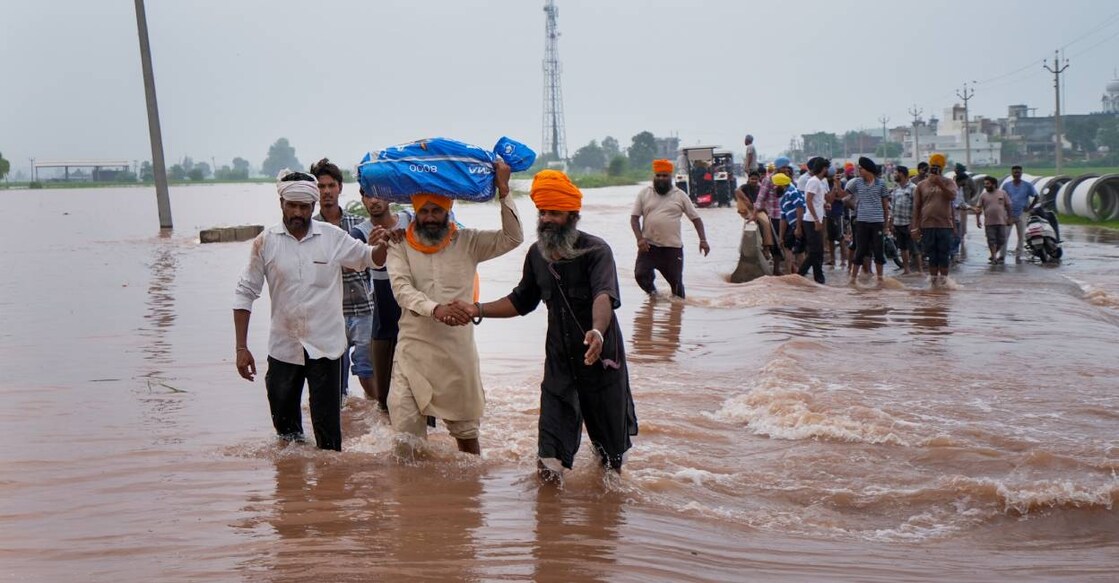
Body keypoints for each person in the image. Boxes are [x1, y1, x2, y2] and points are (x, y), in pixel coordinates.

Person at [460, 170, 638, 482]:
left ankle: (606, 521)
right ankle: (549, 521)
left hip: (601, 358)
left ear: (572, 216)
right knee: (548, 459)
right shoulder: (536, 255)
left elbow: (603, 295)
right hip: (560, 361)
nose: (546, 219)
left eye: (554, 213)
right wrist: (477, 309)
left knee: (610, 459)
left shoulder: (597, 251)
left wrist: (597, 331)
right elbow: (521, 300)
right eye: (542, 212)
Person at [233, 170, 385, 451]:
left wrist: (382, 246)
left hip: (325, 348)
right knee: (286, 437)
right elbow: (245, 293)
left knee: (329, 440)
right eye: (292, 205)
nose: (298, 212)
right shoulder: (265, 242)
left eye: (304, 206)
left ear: (313, 207)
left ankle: (328, 490)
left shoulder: (332, 237)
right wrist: (241, 348)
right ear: (281, 203)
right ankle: (292, 491)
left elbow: (367, 258)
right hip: (284, 348)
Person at [384, 160, 523, 456]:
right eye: (424, 211)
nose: (431, 217)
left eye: (437, 210)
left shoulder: (468, 241)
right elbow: (402, 290)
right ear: (415, 213)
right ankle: (413, 501)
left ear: (448, 211)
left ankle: (467, 500)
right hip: (413, 354)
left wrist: (503, 190)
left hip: (456, 355)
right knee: (405, 442)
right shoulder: (399, 245)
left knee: (468, 441)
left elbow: (513, 238)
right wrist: (436, 309)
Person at [308, 158, 375, 402]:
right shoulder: (310, 228)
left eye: (330, 186)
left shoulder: (357, 225)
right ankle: (342, 422)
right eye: (321, 186)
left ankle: (375, 416)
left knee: (368, 370)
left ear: (339, 188)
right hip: (330, 313)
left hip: (365, 309)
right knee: (335, 376)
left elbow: (371, 265)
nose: (326, 192)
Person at [349, 187, 413, 411]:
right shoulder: (360, 232)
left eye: (379, 194)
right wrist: (373, 247)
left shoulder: (409, 218)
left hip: (415, 318)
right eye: (368, 195)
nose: (374, 200)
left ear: (390, 195)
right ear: (362, 199)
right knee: (383, 403)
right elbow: (353, 261)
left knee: (423, 397)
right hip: (383, 320)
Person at [630, 159, 710, 299]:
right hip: (649, 247)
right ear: (654, 177)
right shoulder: (644, 194)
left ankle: (678, 313)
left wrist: (703, 240)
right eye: (658, 175)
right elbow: (634, 218)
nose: (661, 178)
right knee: (640, 275)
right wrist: (639, 239)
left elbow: (696, 219)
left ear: (670, 177)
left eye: (665, 175)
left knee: (676, 285)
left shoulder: (680, 195)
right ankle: (654, 296)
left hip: (672, 249)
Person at [911, 153, 958, 286]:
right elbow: (917, 207)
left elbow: (952, 197)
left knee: (944, 255)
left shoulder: (949, 183)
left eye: (938, 167)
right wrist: (915, 227)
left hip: (945, 226)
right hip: (927, 225)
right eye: (933, 167)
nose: (935, 169)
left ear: (942, 168)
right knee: (932, 256)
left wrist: (940, 183)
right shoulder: (921, 185)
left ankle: (944, 284)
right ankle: (933, 285)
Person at [844, 156, 892, 285]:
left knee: (878, 251)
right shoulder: (857, 182)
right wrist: (838, 185)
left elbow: (885, 206)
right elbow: (844, 196)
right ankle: (853, 279)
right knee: (860, 250)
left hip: (877, 222)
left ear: (868, 169)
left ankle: (880, 280)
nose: (859, 170)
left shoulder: (881, 184)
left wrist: (886, 225)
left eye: (861, 168)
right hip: (862, 222)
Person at [755, 157, 793, 274]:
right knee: (777, 244)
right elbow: (761, 198)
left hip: (788, 217)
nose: (786, 169)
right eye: (784, 167)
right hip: (775, 216)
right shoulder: (768, 180)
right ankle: (777, 269)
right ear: (778, 168)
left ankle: (789, 270)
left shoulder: (789, 180)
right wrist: (755, 214)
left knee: (788, 244)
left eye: (787, 167)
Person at [798, 157, 829, 284]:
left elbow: (816, 201)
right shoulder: (813, 182)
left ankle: (818, 277)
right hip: (811, 220)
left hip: (816, 219)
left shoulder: (821, 182)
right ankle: (800, 275)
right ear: (823, 169)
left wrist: (824, 204)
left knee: (818, 251)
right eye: (827, 168)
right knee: (815, 251)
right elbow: (808, 200)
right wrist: (816, 220)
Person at [1003, 165, 1039, 263]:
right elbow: (1002, 198)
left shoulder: (1028, 185)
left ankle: (1018, 255)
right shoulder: (1007, 185)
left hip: (1022, 213)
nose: (1016, 174)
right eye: (1015, 172)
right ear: (1012, 174)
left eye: (1018, 172)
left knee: (1021, 236)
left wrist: (1030, 208)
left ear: (1021, 173)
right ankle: (1002, 255)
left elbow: (1036, 196)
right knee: (1005, 235)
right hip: (1009, 213)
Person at [974, 176, 1013, 264]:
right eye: (984, 184)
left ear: (994, 184)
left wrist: (1010, 218)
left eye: (988, 184)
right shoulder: (983, 196)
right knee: (991, 240)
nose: (985, 186)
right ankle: (994, 257)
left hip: (1001, 221)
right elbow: (978, 208)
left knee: (1002, 240)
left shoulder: (1002, 193)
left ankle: (994, 254)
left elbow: (1009, 206)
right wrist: (978, 220)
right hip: (989, 222)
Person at [890, 165, 919, 275]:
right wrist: (891, 223)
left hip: (909, 222)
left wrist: (914, 223)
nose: (894, 175)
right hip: (898, 223)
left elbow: (916, 206)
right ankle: (907, 270)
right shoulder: (896, 189)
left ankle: (920, 271)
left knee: (914, 247)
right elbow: (892, 207)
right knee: (903, 248)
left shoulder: (913, 188)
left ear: (902, 174)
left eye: (896, 173)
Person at [776, 172, 805, 274]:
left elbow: (800, 206)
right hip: (794, 225)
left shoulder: (792, 192)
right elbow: (783, 219)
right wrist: (780, 237)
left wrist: (798, 227)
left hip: (801, 224)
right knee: (790, 247)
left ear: (781, 185)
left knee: (798, 251)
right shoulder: (783, 198)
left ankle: (798, 274)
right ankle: (792, 275)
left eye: (775, 186)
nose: (774, 188)